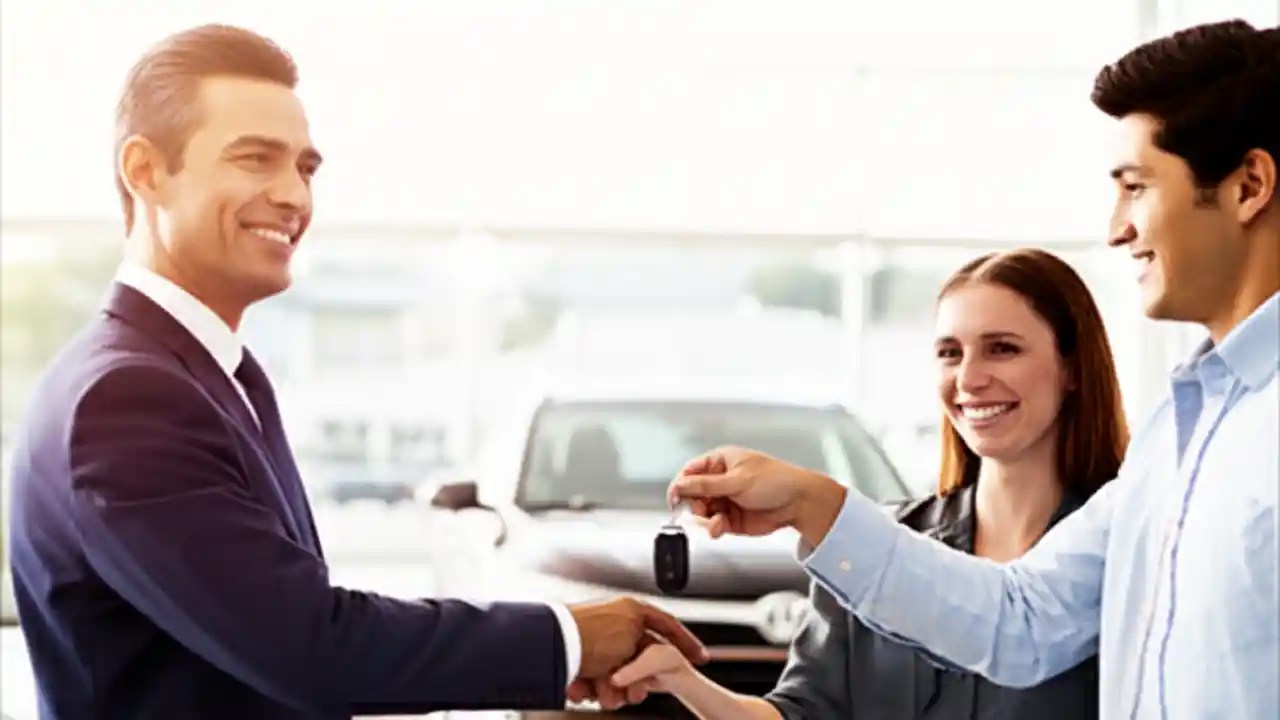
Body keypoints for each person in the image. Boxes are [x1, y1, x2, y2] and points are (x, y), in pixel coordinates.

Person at [6, 24, 706, 720]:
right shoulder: (127, 398)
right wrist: (566, 641)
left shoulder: (211, 376)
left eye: (305, 168)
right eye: (255, 159)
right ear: (145, 171)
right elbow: (310, 647)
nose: (293, 197)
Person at [657, 19, 1279, 720]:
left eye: (1136, 187)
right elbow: (1019, 620)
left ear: (1248, 186)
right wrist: (812, 504)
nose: (1115, 228)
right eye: (949, 351)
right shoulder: (1181, 433)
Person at [607, 249, 1127, 718]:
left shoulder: (1125, 552)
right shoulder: (872, 544)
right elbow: (805, 712)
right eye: (950, 352)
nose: (968, 379)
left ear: (1072, 367)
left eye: (1002, 349)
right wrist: (682, 681)